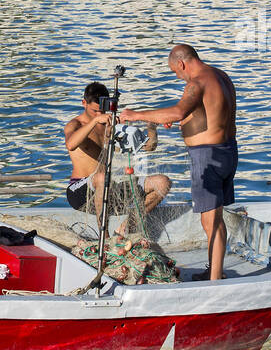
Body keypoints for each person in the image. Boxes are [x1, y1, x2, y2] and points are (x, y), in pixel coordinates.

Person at [121, 44, 237, 281]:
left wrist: (137, 115)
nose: (178, 76)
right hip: (227, 151)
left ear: (181, 64)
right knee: (216, 217)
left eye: (176, 72)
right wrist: (186, 120)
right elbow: (212, 113)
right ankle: (215, 272)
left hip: (207, 157)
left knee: (210, 220)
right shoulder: (221, 76)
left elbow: (178, 112)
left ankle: (215, 281)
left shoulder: (196, 82)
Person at [64, 81, 171, 222]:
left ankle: (126, 228)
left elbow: (149, 147)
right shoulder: (75, 125)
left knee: (163, 182)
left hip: (109, 188)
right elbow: (70, 144)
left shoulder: (112, 125)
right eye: (95, 111)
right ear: (84, 103)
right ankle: (106, 238)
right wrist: (96, 121)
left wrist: (151, 126)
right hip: (79, 192)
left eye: (102, 111)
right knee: (102, 177)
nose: (100, 114)